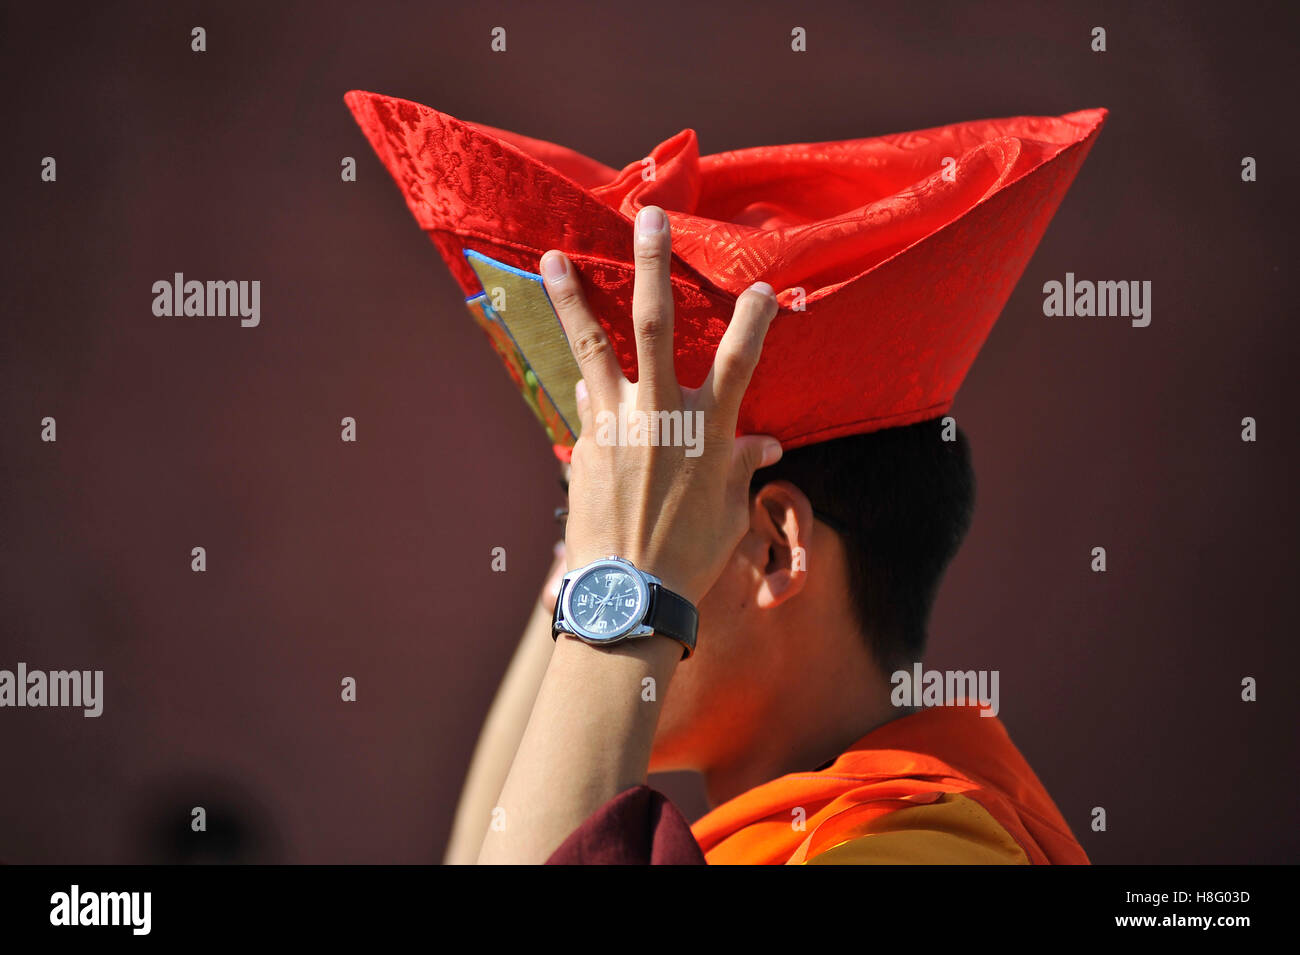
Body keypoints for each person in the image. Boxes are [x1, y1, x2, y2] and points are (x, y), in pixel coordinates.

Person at [445, 208, 1087, 865]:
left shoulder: (923, 850)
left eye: (647, 515)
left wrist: (623, 574)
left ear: (774, 548)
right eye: (586, 535)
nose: (569, 612)